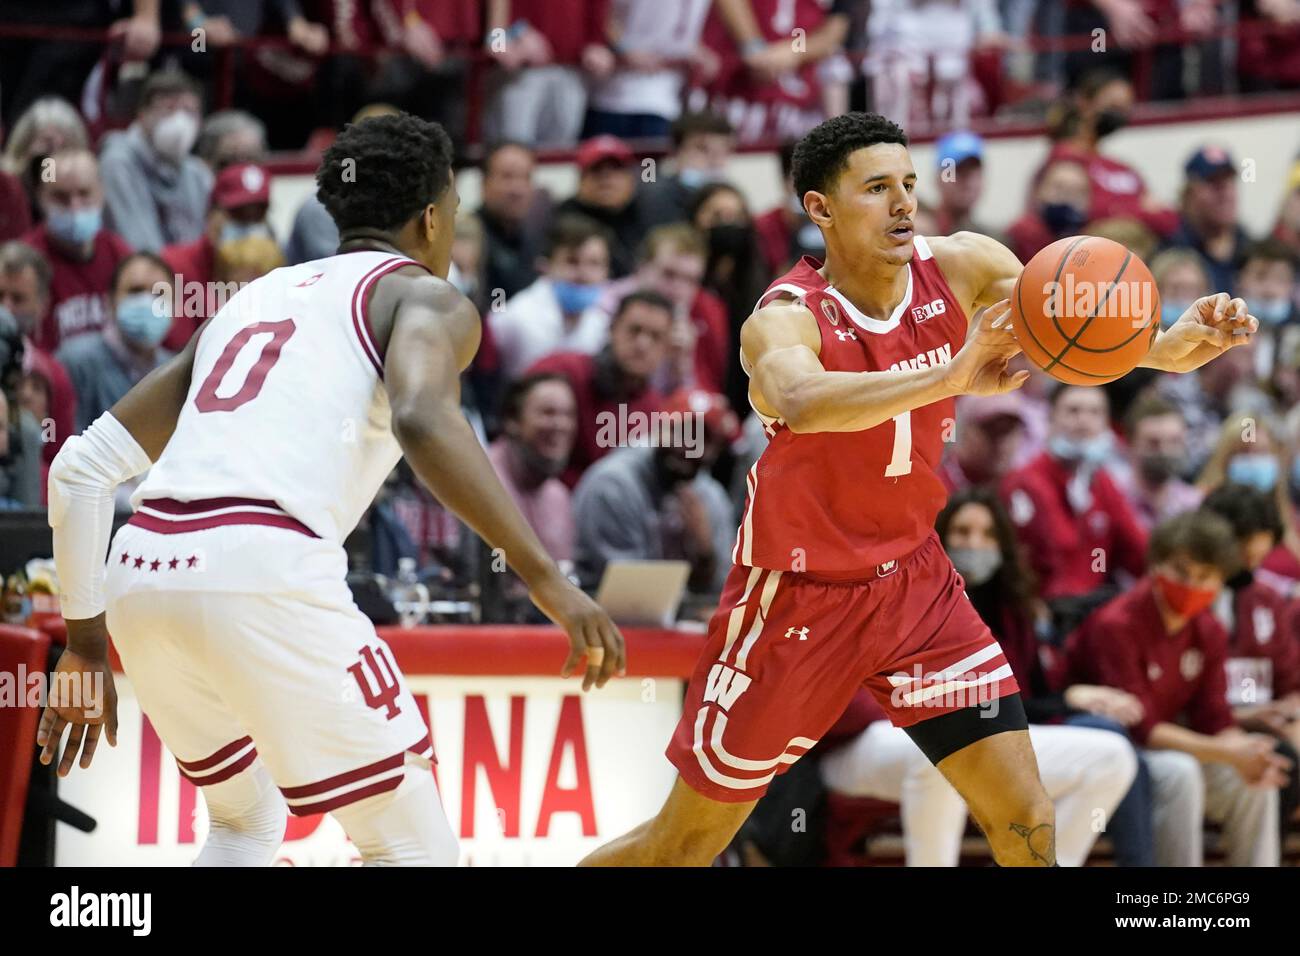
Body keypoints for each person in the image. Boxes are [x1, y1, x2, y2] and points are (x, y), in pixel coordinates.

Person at [579, 111, 1256, 867]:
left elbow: (1063, 328)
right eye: (877, 188)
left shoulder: (964, 262)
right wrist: (953, 374)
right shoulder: (785, 317)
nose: (904, 202)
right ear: (820, 209)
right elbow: (801, 401)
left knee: (1025, 815)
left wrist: (1164, 347)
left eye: (908, 182)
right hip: (800, 596)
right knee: (685, 845)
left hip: (916, 583)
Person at [38, 113, 624, 868]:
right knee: (411, 843)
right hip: (263, 567)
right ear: (434, 217)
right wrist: (548, 579)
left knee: (244, 825)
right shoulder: (427, 299)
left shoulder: (249, 301)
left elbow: (78, 470)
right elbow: (421, 417)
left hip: (143, 576)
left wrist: (85, 646)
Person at [819, 489, 1140, 866]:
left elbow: (1020, 703)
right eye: (963, 532)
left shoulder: (1012, 606)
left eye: (988, 535)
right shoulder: (894, 586)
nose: (976, 544)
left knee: (1112, 756)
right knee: (944, 746)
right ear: (937, 537)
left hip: (976, 735)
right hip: (866, 739)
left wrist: (1065, 698)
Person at [1062, 510, 1290, 866]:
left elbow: (1215, 718)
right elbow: (1144, 728)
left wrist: (1248, 752)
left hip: (1169, 748)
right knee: (1180, 772)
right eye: (1182, 571)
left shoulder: (1209, 630)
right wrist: (1229, 754)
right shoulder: (1116, 624)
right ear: (1156, 566)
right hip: (1117, 754)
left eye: (1204, 577)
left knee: (1255, 783)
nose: (1192, 585)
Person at [1001, 385, 1149, 624]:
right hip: (1041, 615)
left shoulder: (1102, 481)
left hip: (1091, 613)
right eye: (1073, 411)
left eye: (1095, 412)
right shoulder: (1024, 482)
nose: (1084, 421)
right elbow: (1048, 558)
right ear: (1050, 419)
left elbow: (1139, 553)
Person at [573, 388, 741, 596]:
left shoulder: (710, 496)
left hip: (674, 620)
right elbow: (628, 591)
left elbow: (725, 592)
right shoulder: (614, 484)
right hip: (603, 615)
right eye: (679, 432)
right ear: (657, 428)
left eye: (702, 439)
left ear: (717, 451)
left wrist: (705, 554)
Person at [527, 289, 673, 487]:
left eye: (655, 336)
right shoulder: (561, 370)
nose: (642, 344)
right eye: (634, 330)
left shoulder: (656, 410)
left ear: (667, 347)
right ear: (612, 329)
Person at [597, 223, 730, 393]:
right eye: (669, 274)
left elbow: (684, 402)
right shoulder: (604, 305)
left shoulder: (686, 320)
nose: (678, 289)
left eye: (690, 280)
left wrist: (681, 364)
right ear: (642, 266)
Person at [22, 149, 132, 351]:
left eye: (84, 193)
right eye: (61, 197)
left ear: (101, 194)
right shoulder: (26, 263)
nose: (74, 206)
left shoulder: (119, 252)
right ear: (40, 198)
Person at [161, 163, 276, 351]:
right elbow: (178, 353)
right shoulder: (176, 266)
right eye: (237, 214)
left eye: (258, 215)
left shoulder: (273, 269)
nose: (248, 225)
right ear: (211, 215)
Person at [57, 253, 176, 433]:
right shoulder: (75, 362)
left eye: (159, 294)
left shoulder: (175, 371)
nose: (148, 302)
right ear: (110, 302)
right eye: (135, 291)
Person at [99, 70, 214, 253]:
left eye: (189, 112)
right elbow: (140, 246)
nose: (180, 121)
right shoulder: (118, 162)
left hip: (186, 276)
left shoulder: (197, 172)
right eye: (169, 109)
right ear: (142, 115)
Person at [489, 215, 614, 382]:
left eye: (594, 264)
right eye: (572, 261)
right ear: (546, 266)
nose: (583, 274)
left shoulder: (603, 325)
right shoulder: (513, 317)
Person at [584, 1, 720, 141]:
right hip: (617, 97)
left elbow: (681, 26)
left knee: (652, 162)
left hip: (669, 100)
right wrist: (623, 49)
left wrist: (696, 50)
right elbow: (601, 13)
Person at [0, 242, 77, 475]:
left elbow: (61, 466)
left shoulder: (53, 377)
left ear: (42, 305)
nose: (5, 308)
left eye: (18, 298)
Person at [555, 135, 652, 277]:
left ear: (631, 179)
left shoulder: (647, 214)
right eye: (596, 170)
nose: (606, 177)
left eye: (615, 168)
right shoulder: (562, 222)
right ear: (581, 181)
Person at [1165, 145, 1253, 296]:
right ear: (1189, 193)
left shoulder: (1251, 250)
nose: (1225, 194)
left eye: (1229, 182)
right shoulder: (1170, 252)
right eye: (1214, 184)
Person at [475, 141, 555, 301]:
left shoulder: (542, 237)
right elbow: (495, 306)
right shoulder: (469, 238)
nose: (518, 189)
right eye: (507, 177)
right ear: (484, 184)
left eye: (526, 178)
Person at [1114, 394, 1203, 530]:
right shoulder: (1113, 496)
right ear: (1130, 443)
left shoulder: (1193, 504)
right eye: (1153, 443)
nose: (1165, 450)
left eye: (1174, 441)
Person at [637, 111, 737, 229]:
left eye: (723, 151)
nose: (715, 161)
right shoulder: (656, 195)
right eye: (703, 149)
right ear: (677, 151)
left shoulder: (731, 198)